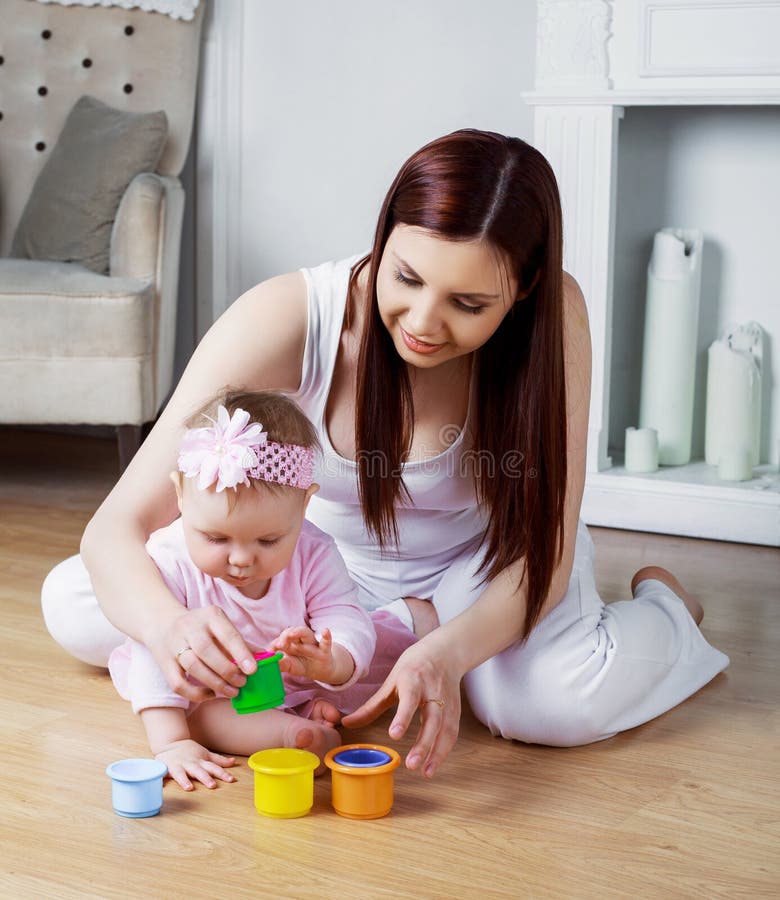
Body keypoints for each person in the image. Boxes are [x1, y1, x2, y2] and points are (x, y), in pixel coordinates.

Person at [42, 128, 729, 780]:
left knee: (545, 706)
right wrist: (169, 627)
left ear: (523, 289)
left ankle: (667, 611)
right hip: (317, 567)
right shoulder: (290, 315)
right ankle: (390, 637)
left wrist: (448, 654)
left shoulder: (553, 320)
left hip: (480, 567)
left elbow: (545, 547)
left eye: (468, 303)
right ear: (385, 237)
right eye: (405, 277)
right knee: (75, 602)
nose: (424, 323)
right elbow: (116, 526)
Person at [106, 388, 416, 790]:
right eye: (216, 538)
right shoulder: (169, 557)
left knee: (373, 664)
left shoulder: (315, 551)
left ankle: (304, 709)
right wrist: (172, 743)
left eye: (268, 541)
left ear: (304, 506)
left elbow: (344, 614)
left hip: (295, 673)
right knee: (201, 713)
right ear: (180, 495)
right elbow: (155, 652)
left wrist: (331, 661)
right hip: (212, 683)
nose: (240, 560)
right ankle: (291, 732)